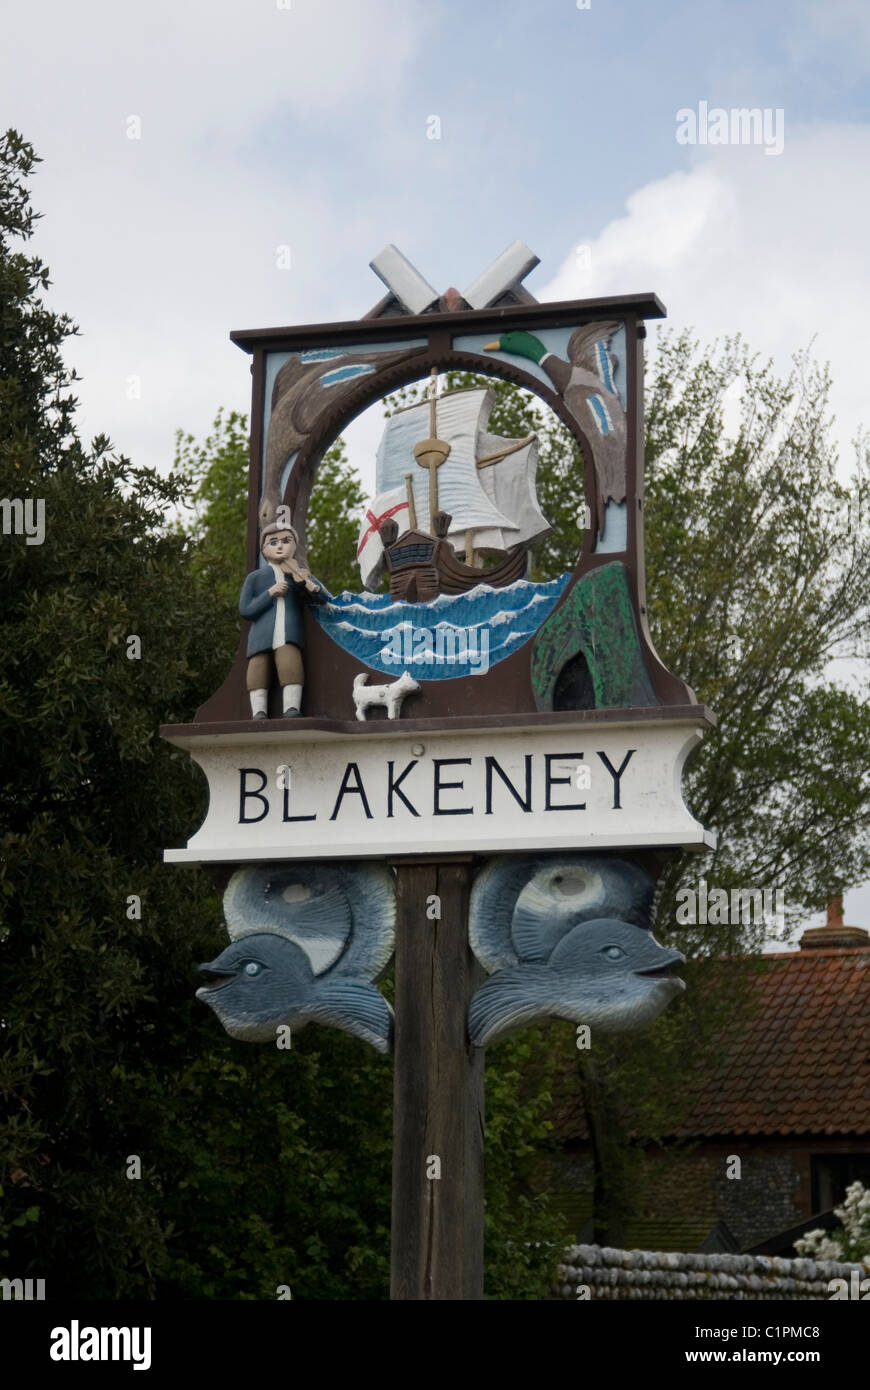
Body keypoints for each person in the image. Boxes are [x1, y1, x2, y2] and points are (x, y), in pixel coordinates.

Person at [239, 522, 326, 719]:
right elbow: (245, 609)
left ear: (295, 546)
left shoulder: (299, 574)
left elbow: (322, 598)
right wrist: (270, 593)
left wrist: (307, 584)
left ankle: (291, 708)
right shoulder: (256, 578)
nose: (280, 546)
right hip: (261, 637)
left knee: (291, 667)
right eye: (273, 542)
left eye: (286, 541)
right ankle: (259, 712)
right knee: (257, 671)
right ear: (264, 549)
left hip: (289, 633)